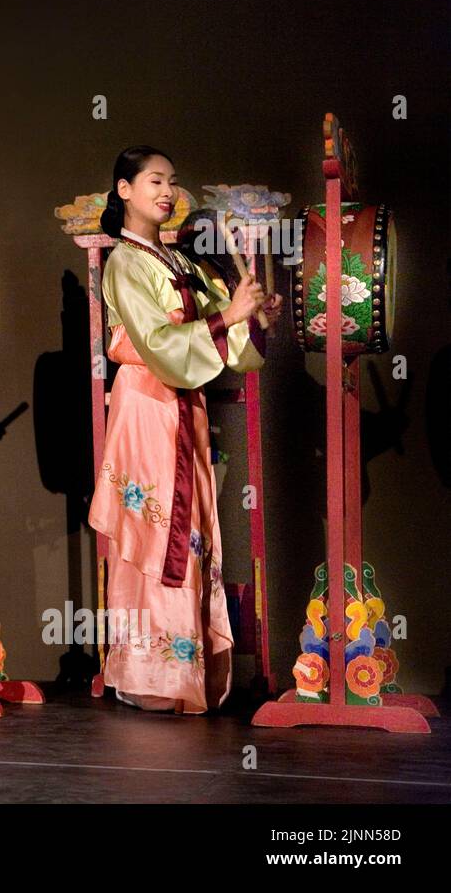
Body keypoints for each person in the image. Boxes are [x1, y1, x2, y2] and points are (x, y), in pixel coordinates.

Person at [87, 147, 283, 713]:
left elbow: (232, 339)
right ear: (124, 189)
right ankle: (151, 675)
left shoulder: (181, 265)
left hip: (181, 407)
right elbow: (156, 344)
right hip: (147, 407)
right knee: (156, 532)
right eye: (155, 180)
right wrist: (225, 317)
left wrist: (250, 315)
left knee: (187, 529)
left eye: (172, 181)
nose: (167, 191)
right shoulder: (125, 262)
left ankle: (181, 669)